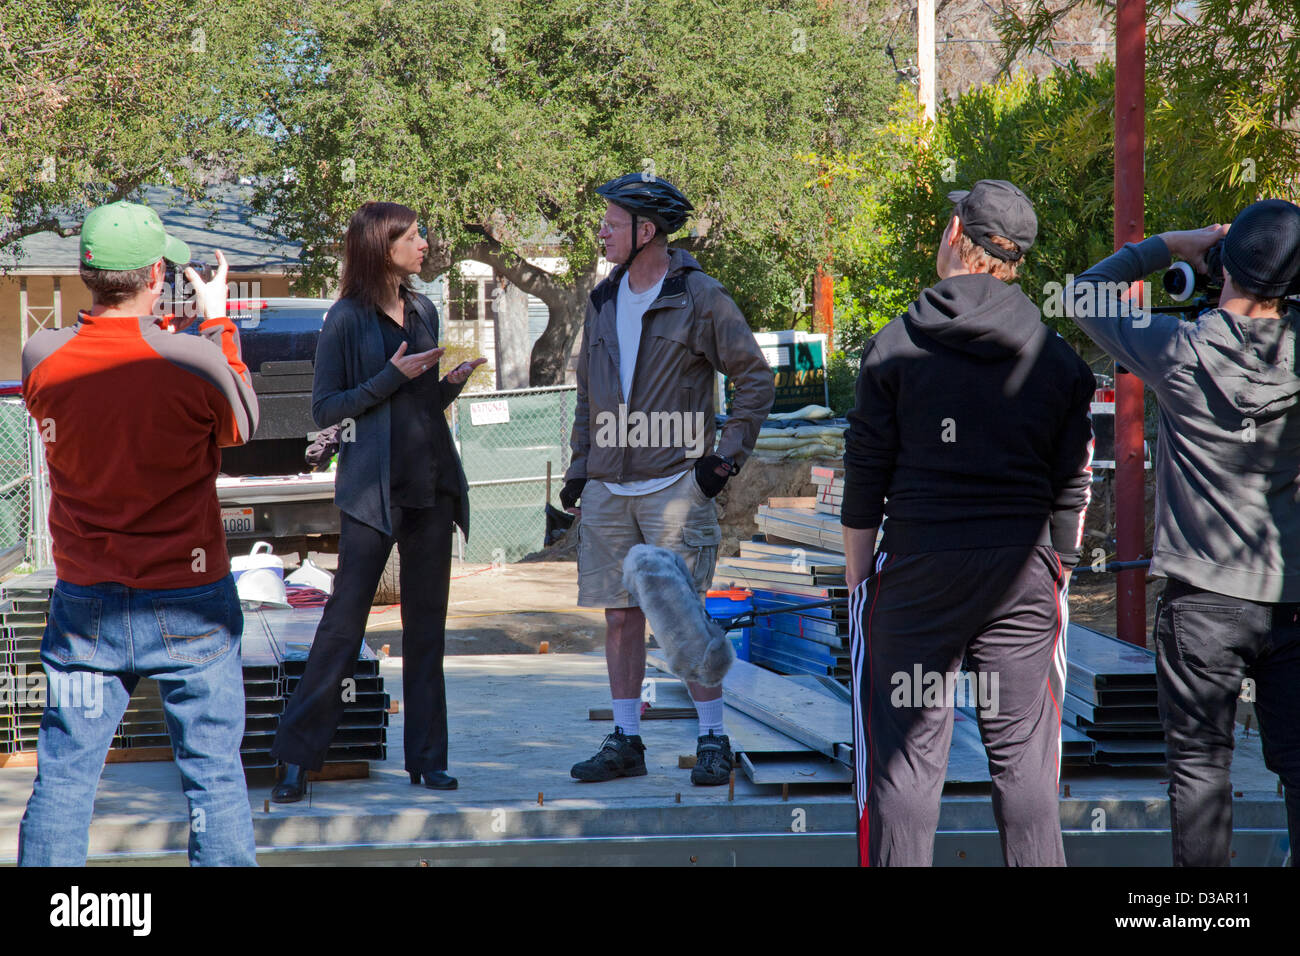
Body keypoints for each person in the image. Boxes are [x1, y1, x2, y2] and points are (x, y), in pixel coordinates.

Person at [842, 180, 1096, 866]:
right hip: (1019, 575)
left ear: (958, 235)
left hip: (919, 576)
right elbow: (1074, 477)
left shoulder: (894, 345)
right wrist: (1059, 564)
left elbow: (865, 476)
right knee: (1024, 763)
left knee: (906, 762)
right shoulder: (1058, 360)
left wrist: (861, 580)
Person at [19, 200, 259, 865]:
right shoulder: (191, 359)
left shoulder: (42, 354)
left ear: (86, 273)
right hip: (190, 600)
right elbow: (242, 422)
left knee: (65, 777)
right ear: (158, 273)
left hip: (85, 603)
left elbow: (105, 380)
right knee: (213, 777)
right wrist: (214, 321)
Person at [1064, 198, 1300, 866]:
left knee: (1200, 775)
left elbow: (1084, 294)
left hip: (1200, 601)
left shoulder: (1176, 350)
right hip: (1289, 596)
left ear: (1224, 266)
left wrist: (1170, 244)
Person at [560, 173, 774, 786]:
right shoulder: (602, 299)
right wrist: (580, 472)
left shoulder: (701, 296)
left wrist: (722, 462)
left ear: (645, 231)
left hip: (676, 486)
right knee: (621, 616)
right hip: (608, 487)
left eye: (611, 220)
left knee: (681, 615)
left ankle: (714, 738)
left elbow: (754, 379)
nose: (600, 229)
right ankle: (627, 739)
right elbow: (586, 396)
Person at [269, 202, 485, 801]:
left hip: (432, 485)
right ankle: (295, 759)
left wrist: (447, 384)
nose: (424, 243)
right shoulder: (344, 318)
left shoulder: (424, 307)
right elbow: (325, 410)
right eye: (413, 235)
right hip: (372, 491)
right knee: (342, 625)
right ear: (381, 245)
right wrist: (392, 375)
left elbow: (416, 405)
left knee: (428, 628)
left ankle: (427, 759)